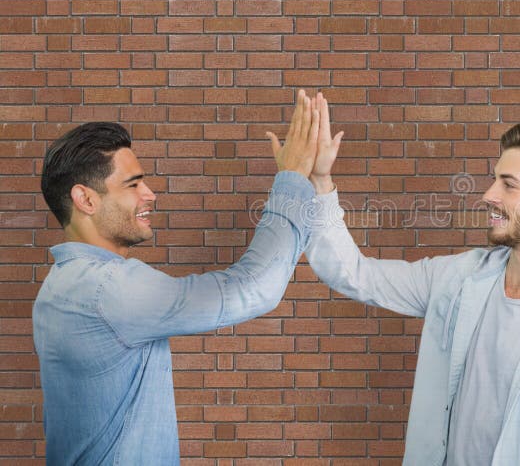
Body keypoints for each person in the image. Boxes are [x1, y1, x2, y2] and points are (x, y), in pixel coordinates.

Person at [307, 103, 520, 465]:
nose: (489, 195)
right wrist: (320, 182)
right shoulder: (457, 278)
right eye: (495, 178)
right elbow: (354, 274)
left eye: (509, 184)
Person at [33, 91, 325, 465]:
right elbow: (254, 288)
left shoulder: (57, 288)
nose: (150, 194)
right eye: (133, 184)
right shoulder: (108, 289)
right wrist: (293, 177)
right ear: (86, 200)